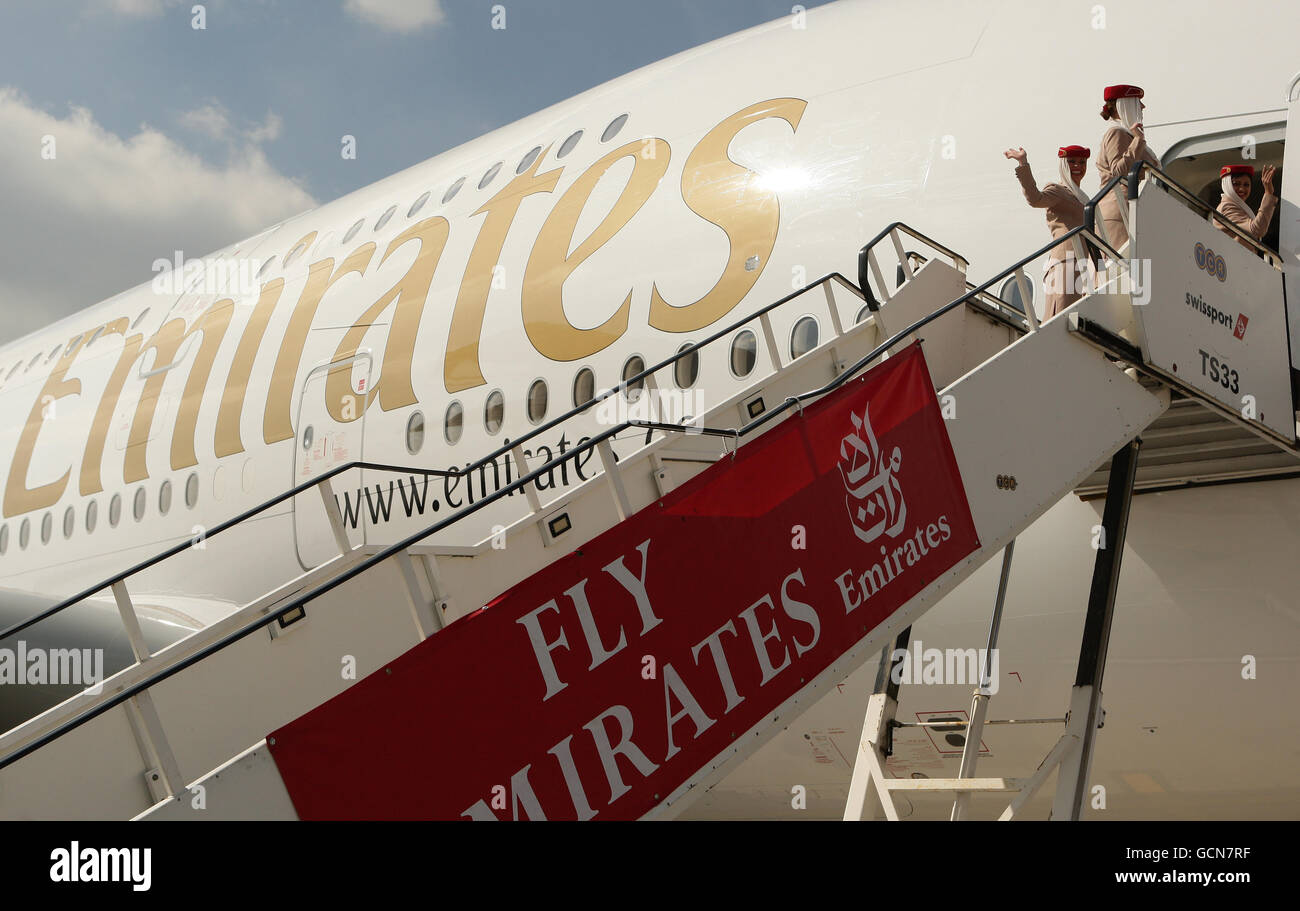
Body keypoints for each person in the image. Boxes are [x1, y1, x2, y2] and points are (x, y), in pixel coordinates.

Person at [1004, 145, 1092, 319]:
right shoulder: (1059, 191)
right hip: (1065, 261)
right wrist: (1023, 163)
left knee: (1079, 318)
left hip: (1083, 263)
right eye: (1072, 162)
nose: (1078, 166)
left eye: (1082, 162)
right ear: (1063, 165)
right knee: (1062, 317)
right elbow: (1035, 198)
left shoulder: (1083, 197)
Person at [1096, 84, 1159, 251]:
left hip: (1132, 211)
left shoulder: (1127, 134)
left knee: (1141, 271)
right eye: (1138, 102)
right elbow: (1119, 171)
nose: (1143, 107)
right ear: (1125, 105)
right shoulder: (1116, 132)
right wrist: (1138, 141)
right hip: (1120, 213)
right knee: (1129, 271)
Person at [1216, 164, 1277, 251]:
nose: (1242, 189)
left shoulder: (1238, 207)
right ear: (1227, 185)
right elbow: (1257, 230)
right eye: (1236, 184)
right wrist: (1268, 193)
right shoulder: (1227, 207)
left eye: (1246, 185)